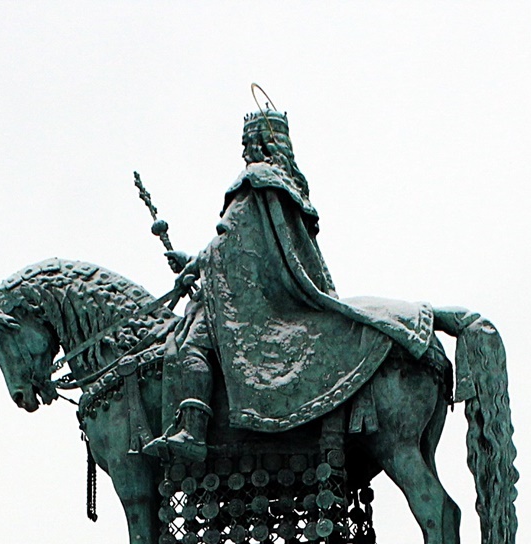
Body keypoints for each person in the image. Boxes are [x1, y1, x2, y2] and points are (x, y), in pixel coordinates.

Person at [140, 100, 437, 463]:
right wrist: (195, 260)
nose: (245, 151)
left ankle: (192, 432)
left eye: (248, 143)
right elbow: (250, 246)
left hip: (258, 305)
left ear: (261, 144)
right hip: (282, 295)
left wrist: (197, 263)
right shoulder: (291, 187)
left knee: (191, 345)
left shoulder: (254, 181)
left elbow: (231, 243)